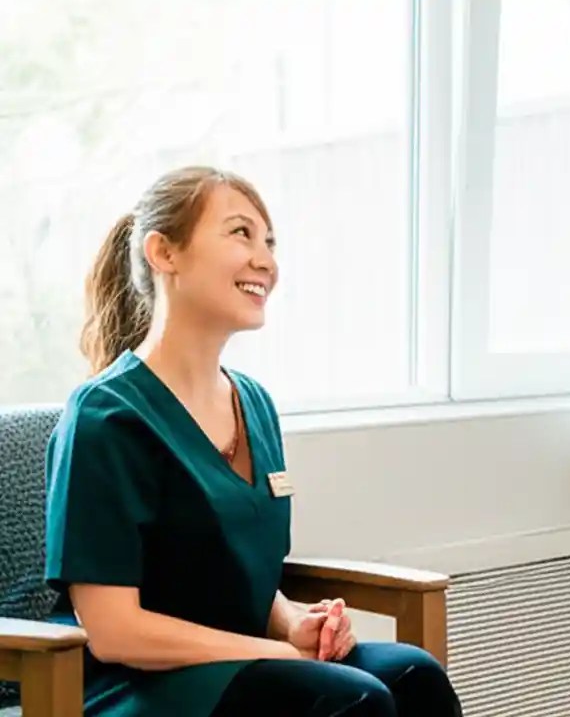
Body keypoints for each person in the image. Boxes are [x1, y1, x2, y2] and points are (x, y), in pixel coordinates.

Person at [44, 166, 463, 716]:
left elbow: (231, 575)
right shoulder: (105, 417)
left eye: (269, 242)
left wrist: (296, 624)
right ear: (164, 253)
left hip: (246, 662)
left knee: (415, 676)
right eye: (241, 234)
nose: (265, 260)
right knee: (351, 701)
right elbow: (116, 633)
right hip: (135, 684)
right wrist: (278, 650)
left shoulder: (254, 404)